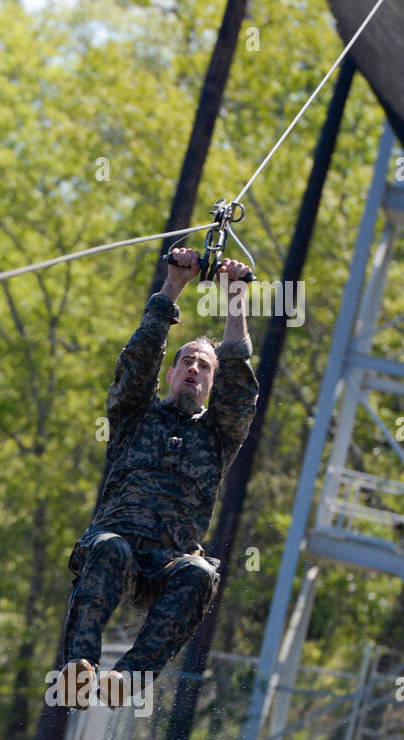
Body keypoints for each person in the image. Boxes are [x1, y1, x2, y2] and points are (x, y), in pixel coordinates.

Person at [55, 247, 259, 709]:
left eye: (205, 367)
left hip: (167, 567)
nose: (194, 369)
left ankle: (127, 680)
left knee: (200, 572)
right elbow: (137, 364)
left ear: (212, 384)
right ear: (172, 374)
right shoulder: (135, 417)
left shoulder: (219, 434)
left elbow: (240, 391)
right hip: (116, 553)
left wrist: (235, 304)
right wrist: (172, 287)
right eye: (187, 361)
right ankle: (78, 672)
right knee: (108, 545)